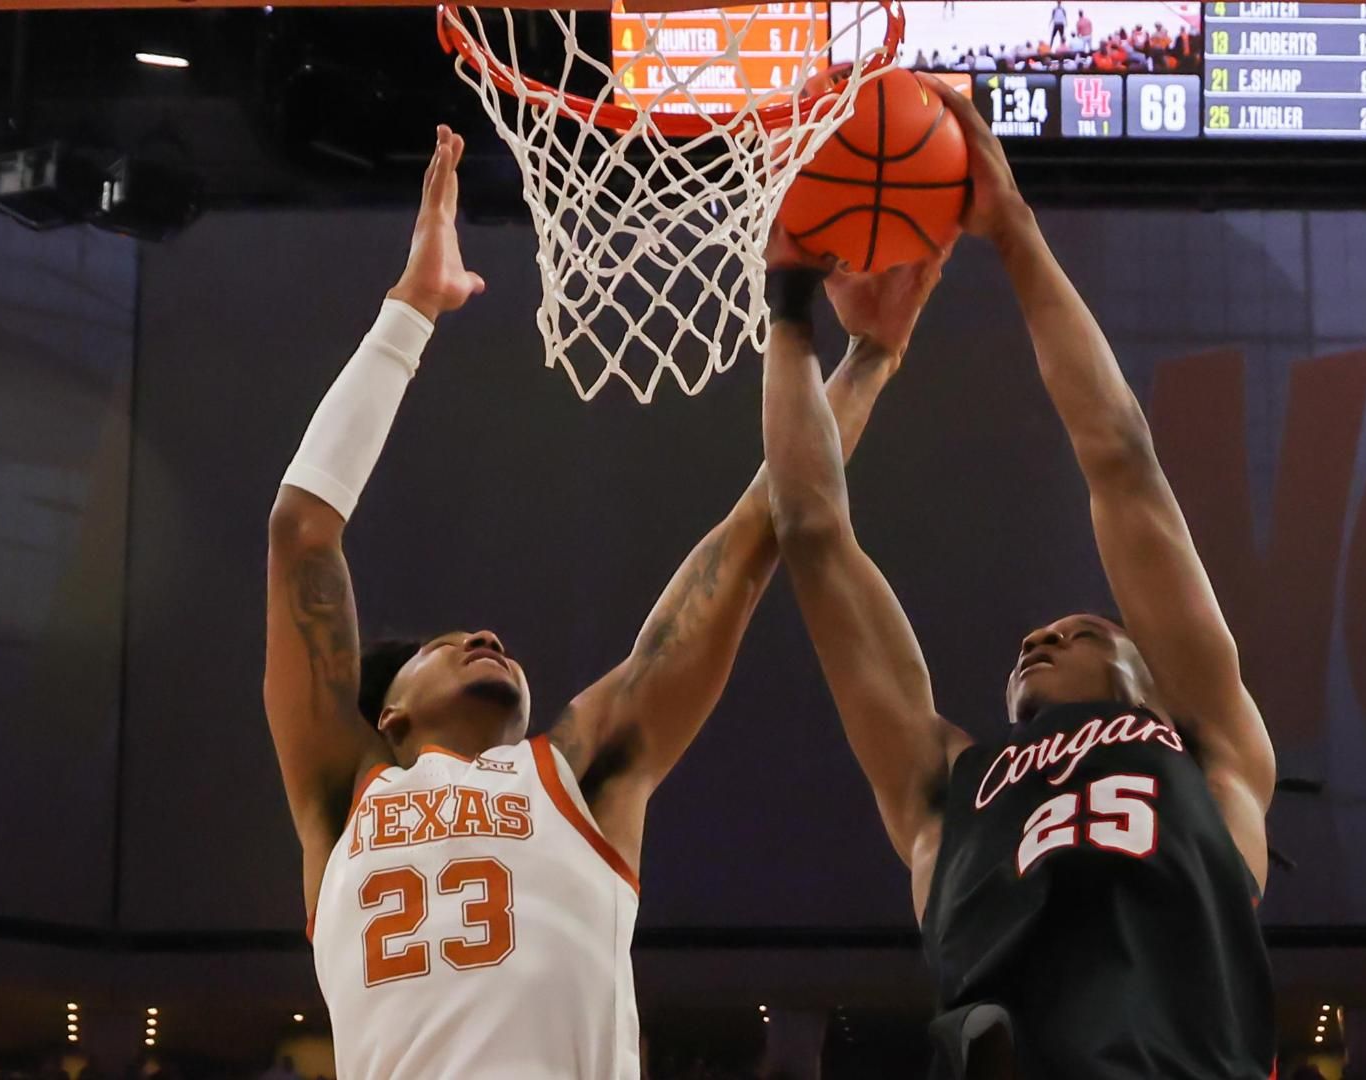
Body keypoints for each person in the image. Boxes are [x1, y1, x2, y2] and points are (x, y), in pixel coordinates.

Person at [265, 126, 907, 1079]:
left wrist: (868, 360)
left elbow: (749, 542)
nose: (486, 635)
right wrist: (411, 309)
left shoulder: (577, 773)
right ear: (388, 711)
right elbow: (301, 531)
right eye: (447, 643)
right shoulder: (342, 799)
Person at [760, 78, 1277, 1079]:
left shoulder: (1210, 744)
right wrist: (791, 305)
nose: (1039, 637)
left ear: (1147, 664)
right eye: (1036, 642)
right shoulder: (942, 791)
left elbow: (1122, 459)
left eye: (1082, 627)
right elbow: (811, 533)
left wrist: (1013, 231)